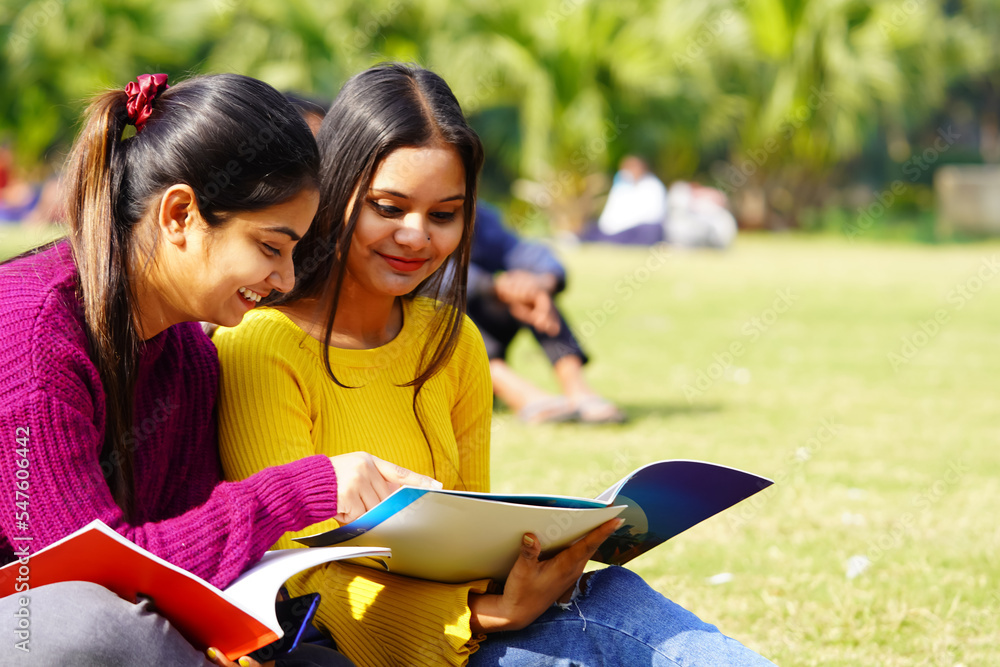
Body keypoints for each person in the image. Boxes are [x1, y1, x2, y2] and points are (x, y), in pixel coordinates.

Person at [215, 63, 774, 667]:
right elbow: (293, 572)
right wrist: (482, 615)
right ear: (334, 192)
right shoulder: (262, 344)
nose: (415, 236)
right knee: (602, 627)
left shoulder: (454, 342)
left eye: (443, 214)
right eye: (388, 207)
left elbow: (466, 536)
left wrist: (535, 564)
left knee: (613, 593)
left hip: (478, 627)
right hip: (365, 646)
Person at [0, 72, 439, 667]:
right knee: (99, 628)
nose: (285, 279)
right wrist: (301, 489)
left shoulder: (190, 358)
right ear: (179, 214)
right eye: (270, 247)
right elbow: (86, 575)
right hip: (45, 625)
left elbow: (180, 564)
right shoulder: (28, 336)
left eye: (293, 252)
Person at [468, 202, 626, 423]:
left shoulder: (477, 214)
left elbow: (522, 250)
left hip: (486, 308)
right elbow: (435, 275)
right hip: (444, 347)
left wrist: (541, 282)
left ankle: (576, 387)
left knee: (532, 297)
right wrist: (495, 285)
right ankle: (511, 388)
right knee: (441, 307)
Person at [582, 155, 669, 245]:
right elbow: (610, 215)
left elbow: (652, 215)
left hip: (640, 229)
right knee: (591, 229)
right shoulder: (624, 186)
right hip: (620, 229)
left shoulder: (652, 186)